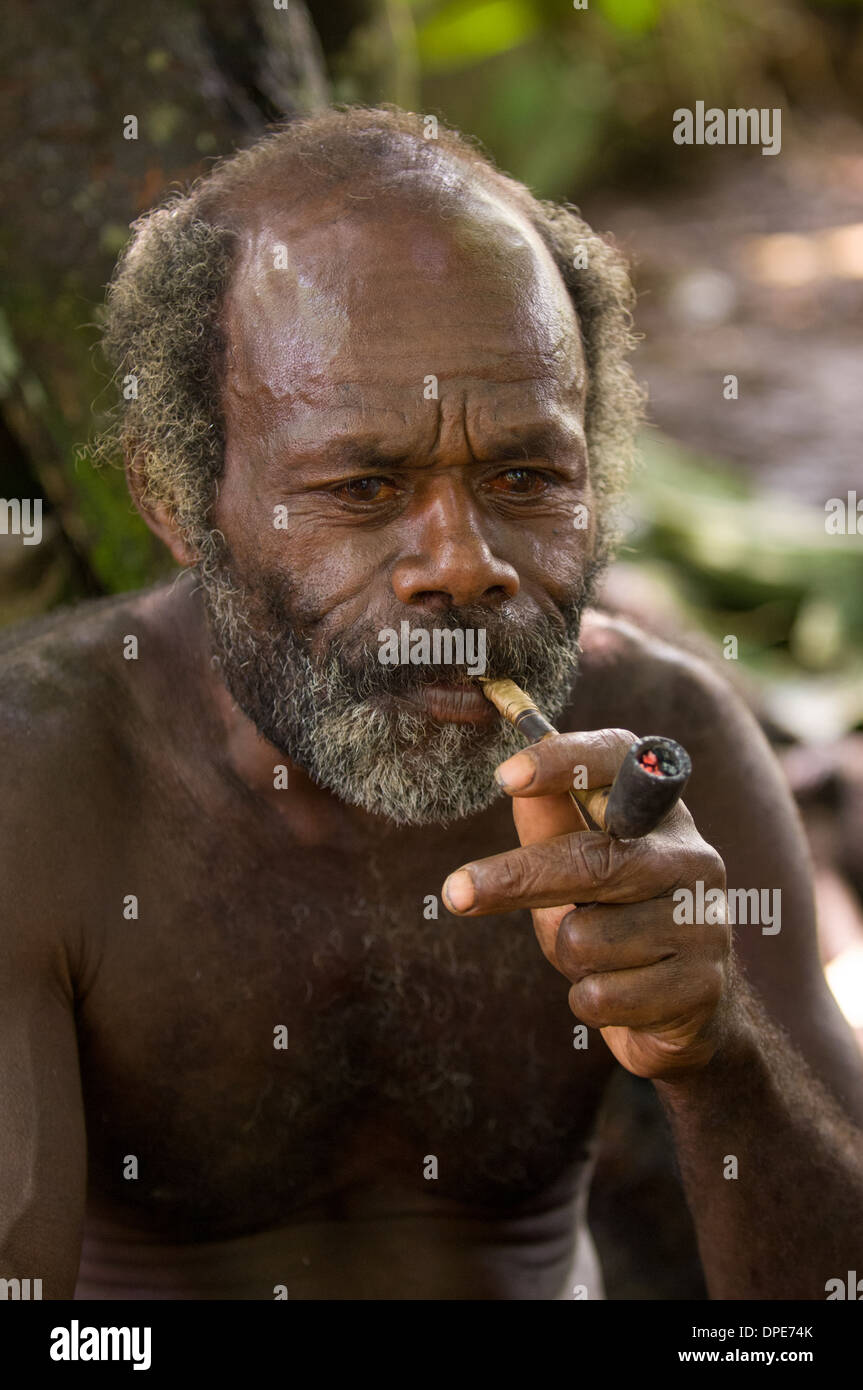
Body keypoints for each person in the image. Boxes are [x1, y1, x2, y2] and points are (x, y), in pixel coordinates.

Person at [1, 106, 861, 1301]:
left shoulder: (662, 743)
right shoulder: (33, 782)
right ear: (177, 495)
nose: (461, 563)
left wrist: (717, 1059)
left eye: (523, 476)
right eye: (363, 486)